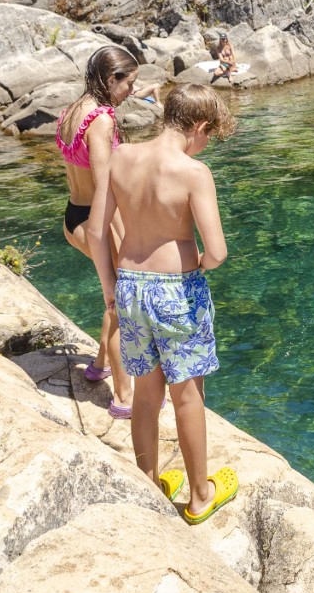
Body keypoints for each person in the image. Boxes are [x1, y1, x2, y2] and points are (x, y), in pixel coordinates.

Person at [89, 84, 239, 525]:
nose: (206, 144)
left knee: (146, 391)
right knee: (188, 395)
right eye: (210, 136)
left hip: (130, 286)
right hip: (176, 290)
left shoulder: (121, 157)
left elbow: (99, 232)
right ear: (199, 126)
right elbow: (217, 251)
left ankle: (148, 481)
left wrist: (109, 288)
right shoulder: (194, 172)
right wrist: (198, 267)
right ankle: (198, 496)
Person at [56, 46, 158, 418]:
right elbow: (105, 191)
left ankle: (99, 365)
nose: (132, 90)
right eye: (129, 83)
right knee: (121, 303)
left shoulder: (73, 110)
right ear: (110, 79)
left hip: (74, 213)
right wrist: (124, 239)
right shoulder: (101, 120)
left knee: (118, 300)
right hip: (94, 220)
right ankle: (124, 397)